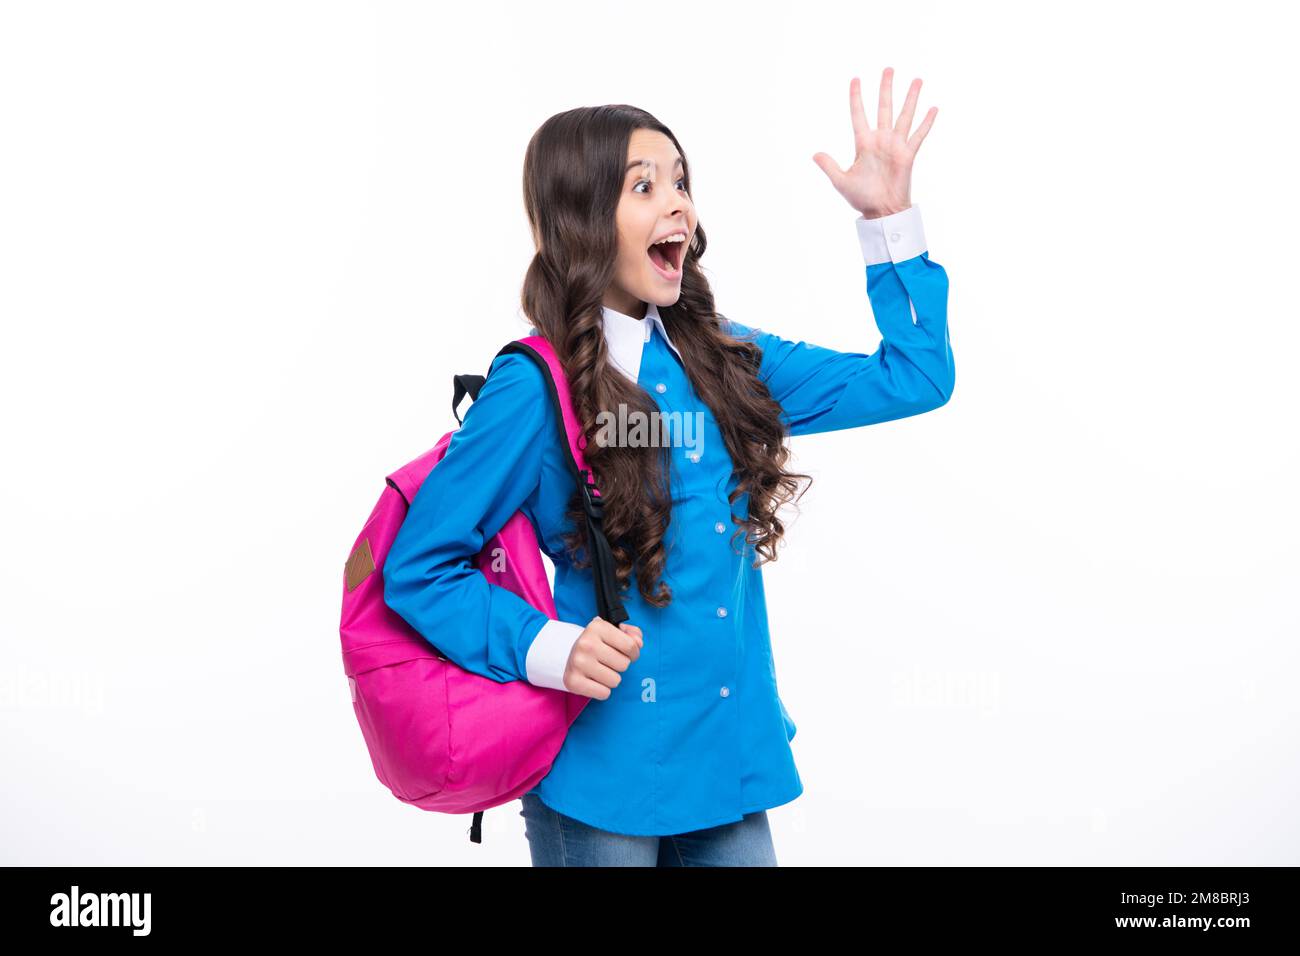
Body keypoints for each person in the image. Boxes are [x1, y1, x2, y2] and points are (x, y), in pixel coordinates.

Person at [383, 67, 952, 866]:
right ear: (582, 219)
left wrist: (891, 223)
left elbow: (915, 379)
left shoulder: (724, 357)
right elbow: (419, 567)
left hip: (729, 765)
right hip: (603, 779)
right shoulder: (533, 386)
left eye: (680, 180)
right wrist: (550, 646)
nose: (678, 202)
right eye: (643, 186)